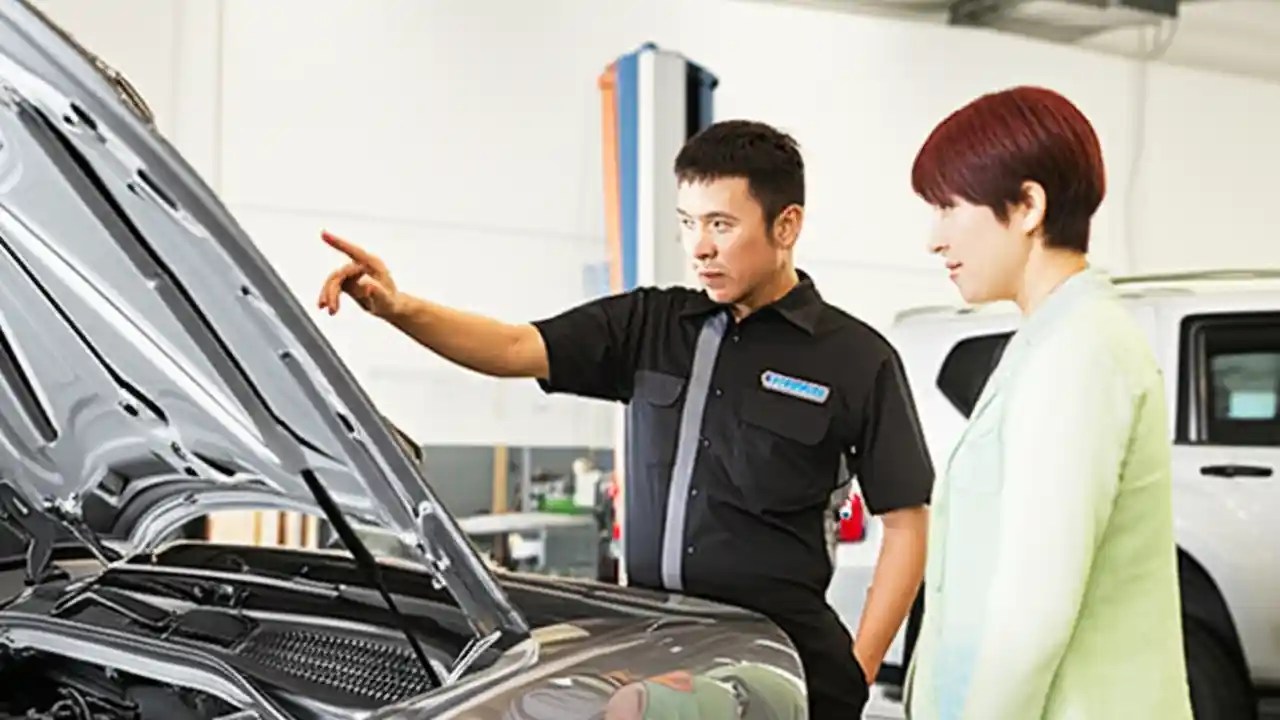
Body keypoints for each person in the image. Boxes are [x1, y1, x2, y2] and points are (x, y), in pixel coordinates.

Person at [317, 119, 934, 718]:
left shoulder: (856, 359)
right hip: (654, 654)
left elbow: (906, 525)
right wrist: (398, 308)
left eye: (721, 224)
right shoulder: (649, 326)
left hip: (779, 674)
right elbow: (511, 346)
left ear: (786, 225)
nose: (700, 247)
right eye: (688, 223)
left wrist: (857, 670)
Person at [902, 86, 1194, 719]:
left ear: (1028, 206)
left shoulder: (1080, 351)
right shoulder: (1050, 339)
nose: (934, 238)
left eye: (949, 207)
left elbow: (1031, 610)